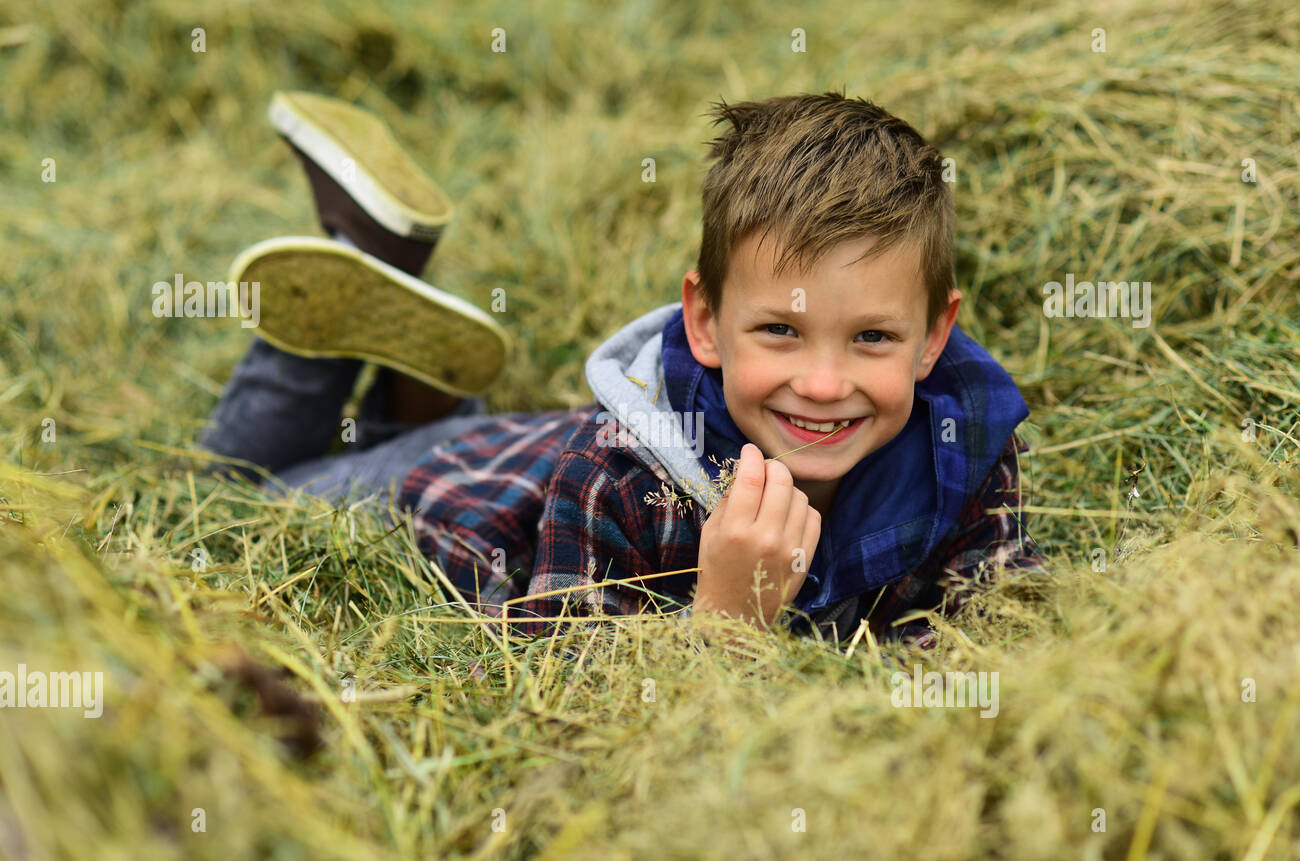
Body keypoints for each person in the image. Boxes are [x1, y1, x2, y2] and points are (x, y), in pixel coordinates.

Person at [199, 89, 1047, 647]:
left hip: (518, 449)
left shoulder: (961, 449)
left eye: (871, 339)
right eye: (781, 332)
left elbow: (991, 626)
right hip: (447, 492)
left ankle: (419, 391)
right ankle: (360, 260)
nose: (824, 385)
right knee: (229, 492)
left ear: (934, 338)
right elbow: (561, 683)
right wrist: (724, 620)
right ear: (706, 323)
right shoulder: (619, 477)